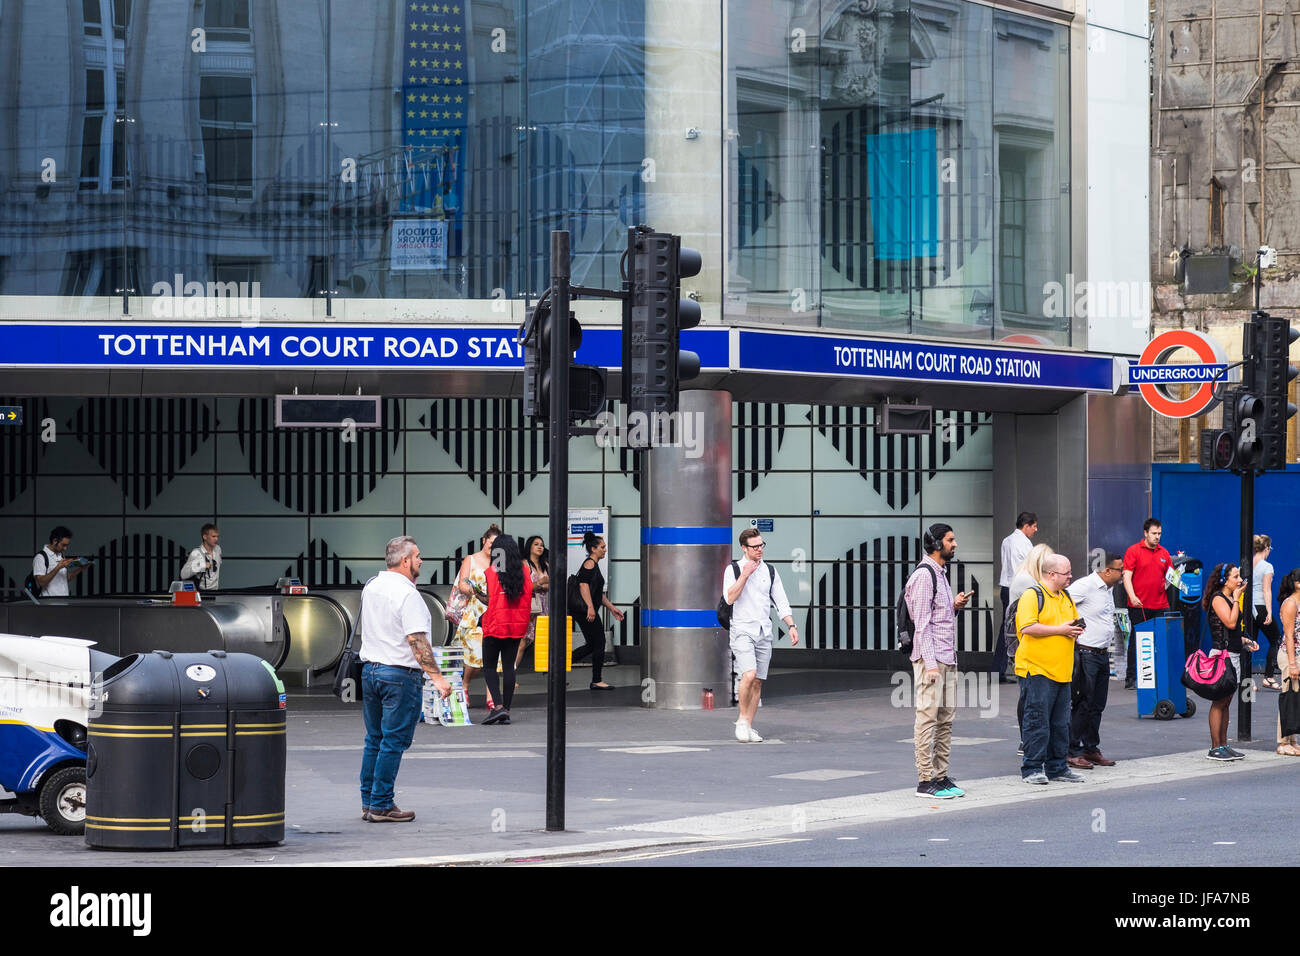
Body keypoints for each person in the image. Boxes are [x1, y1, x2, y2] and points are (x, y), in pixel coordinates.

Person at [358, 535, 451, 823]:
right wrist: (437, 678)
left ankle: (368, 800)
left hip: (370, 671)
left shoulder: (372, 586)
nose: (421, 560)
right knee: (394, 741)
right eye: (418, 556)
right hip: (399, 675)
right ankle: (382, 804)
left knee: (375, 738)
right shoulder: (408, 594)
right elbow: (417, 640)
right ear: (405, 560)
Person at [905, 523, 971, 798]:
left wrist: (953, 606)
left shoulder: (940, 574)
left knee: (945, 719)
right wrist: (930, 664)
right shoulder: (924, 576)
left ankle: (940, 776)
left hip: (947, 655)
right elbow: (922, 625)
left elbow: (938, 619)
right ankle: (924, 780)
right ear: (936, 543)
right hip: (931, 660)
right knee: (927, 719)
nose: (954, 544)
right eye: (950, 540)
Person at [722, 527, 798, 743]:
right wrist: (745, 575)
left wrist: (791, 625)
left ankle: (748, 723)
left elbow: (780, 600)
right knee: (748, 673)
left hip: (764, 630)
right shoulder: (733, 570)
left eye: (761, 545)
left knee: (757, 681)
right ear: (744, 548)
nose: (759, 550)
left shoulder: (770, 571)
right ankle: (741, 721)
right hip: (742, 629)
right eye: (755, 547)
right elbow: (729, 598)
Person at [1016, 553, 1086, 784]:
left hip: (1062, 670)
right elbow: (1027, 627)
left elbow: (1070, 622)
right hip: (1037, 669)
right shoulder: (1032, 595)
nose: (1070, 576)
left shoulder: (1065, 596)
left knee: (1060, 723)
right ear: (1051, 574)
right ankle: (1032, 768)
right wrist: (1061, 630)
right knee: (1037, 721)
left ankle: (1057, 767)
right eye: (1066, 573)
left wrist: (1074, 629)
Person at [1065, 554, 1124, 769]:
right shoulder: (1086, 585)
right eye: (1120, 569)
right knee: (1083, 703)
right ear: (1108, 571)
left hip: (1101, 654)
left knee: (1098, 704)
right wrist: (1072, 627)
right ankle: (1072, 750)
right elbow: (1062, 601)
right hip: (1086, 653)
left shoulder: (1108, 590)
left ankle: (1091, 748)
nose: (1123, 573)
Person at [1202, 562, 1258, 761]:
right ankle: (1214, 747)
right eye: (1235, 577)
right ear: (1225, 579)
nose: (1239, 580)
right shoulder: (1219, 598)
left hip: (1233, 655)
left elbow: (1233, 631)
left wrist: (1245, 640)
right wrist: (1236, 599)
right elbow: (1231, 622)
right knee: (1218, 702)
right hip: (1221, 657)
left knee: (1226, 702)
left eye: (1239, 576)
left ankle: (1224, 745)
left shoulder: (1229, 597)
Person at [1006, 543, 1055, 754]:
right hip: (1023, 643)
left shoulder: (1024, 576)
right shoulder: (1027, 581)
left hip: (1021, 642)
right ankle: (1026, 739)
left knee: (1029, 692)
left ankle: (1028, 738)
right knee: (1028, 693)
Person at [479, 535, 533, 725]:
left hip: (495, 624)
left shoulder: (492, 571)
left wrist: (477, 594)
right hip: (516, 625)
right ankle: (507, 710)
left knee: (489, 667)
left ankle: (498, 707)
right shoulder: (525, 572)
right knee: (509, 667)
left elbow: (490, 599)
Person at [1122, 518, 1175, 689]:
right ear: (1145, 533)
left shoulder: (1164, 553)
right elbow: (1126, 576)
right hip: (1139, 604)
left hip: (1160, 604)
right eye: (1154, 533)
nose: (1157, 537)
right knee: (1137, 640)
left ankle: (1158, 675)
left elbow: (1171, 577)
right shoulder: (1133, 551)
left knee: (1160, 640)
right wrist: (1132, 596)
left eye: (1159, 533)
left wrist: (1166, 584)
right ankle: (1131, 677)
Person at [452, 524, 500, 708]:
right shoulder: (470, 559)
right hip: (473, 612)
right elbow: (462, 584)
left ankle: (491, 694)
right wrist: (476, 590)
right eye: (491, 541)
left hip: (493, 611)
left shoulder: (498, 562)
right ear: (484, 540)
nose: (493, 545)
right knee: (475, 655)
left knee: (493, 654)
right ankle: (465, 683)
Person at [572, 532, 626, 689]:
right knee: (599, 642)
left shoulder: (593, 565)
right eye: (602, 547)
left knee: (592, 644)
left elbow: (597, 593)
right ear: (593, 549)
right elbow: (583, 585)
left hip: (587, 610)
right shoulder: (589, 563)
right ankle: (596, 680)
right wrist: (590, 607)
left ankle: (558, 665)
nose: (605, 549)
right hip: (585, 611)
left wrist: (612, 608)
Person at [994, 512, 1037, 683]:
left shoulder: (1008, 539)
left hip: (1008, 586)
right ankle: (1015, 667)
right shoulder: (1021, 543)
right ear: (1026, 525)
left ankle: (999, 668)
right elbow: (1021, 567)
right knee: (1017, 627)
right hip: (1018, 588)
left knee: (1007, 627)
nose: (1035, 529)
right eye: (1034, 526)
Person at [1253, 535, 1284, 690]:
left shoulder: (1246, 564)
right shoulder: (1267, 567)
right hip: (1260, 607)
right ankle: (1269, 677)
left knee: (1249, 643)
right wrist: (1269, 612)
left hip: (1247, 608)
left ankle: (1246, 681)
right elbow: (1266, 590)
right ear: (1266, 548)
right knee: (1276, 639)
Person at [514, 535, 549, 674]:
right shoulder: (524, 564)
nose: (540, 547)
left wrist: (545, 585)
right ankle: (510, 674)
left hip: (544, 606)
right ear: (530, 547)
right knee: (524, 641)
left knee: (546, 640)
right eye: (536, 544)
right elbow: (521, 587)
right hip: (530, 607)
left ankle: (553, 675)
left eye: (541, 544)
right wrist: (540, 583)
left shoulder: (545, 564)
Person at [1276, 568, 1300, 756]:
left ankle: (1292, 739)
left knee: (1295, 697)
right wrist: (1292, 664)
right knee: (1288, 696)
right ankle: (1283, 743)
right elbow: (1289, 635)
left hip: (1297, 654)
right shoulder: (1291, 604)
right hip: (1290, 655)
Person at [31, 526, 88, 597]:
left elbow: (65, 579)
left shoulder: (61, 555)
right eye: (63, 545)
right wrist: (58, 567)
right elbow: (41, 582)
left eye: (67, 545)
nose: (65, 548)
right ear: (55, 541)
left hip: (64, 602)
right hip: (49, 604)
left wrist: (81, 568)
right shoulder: (40, 557)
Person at [180, 523, 222, 591]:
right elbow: (183, 574)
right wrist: (202, 565)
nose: (216, 539)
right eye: (213, 536)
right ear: (205, 537)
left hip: (215, 592)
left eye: (217, 536)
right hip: (202, 593)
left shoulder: (218, 549)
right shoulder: (196, 553)